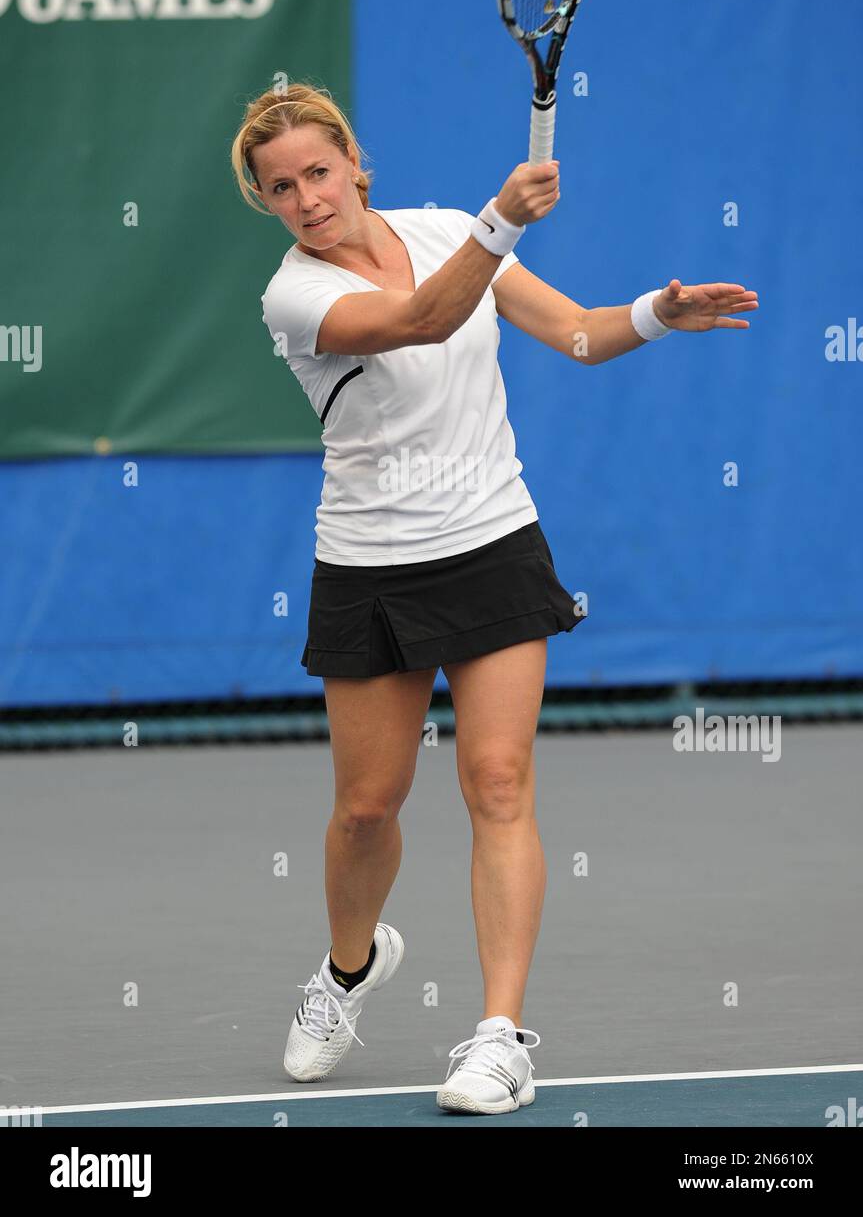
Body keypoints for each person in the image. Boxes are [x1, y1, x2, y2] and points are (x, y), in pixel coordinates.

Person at [229, 83, 757, 1115]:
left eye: (318, 173)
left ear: (354, 163)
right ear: (265, 201)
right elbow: (423, 319)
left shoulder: (436, 230)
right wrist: (501, 216)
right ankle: (346, 969)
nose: (305, 198)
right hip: (369, 561)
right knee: (365, 808)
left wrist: (657, 313)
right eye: (280, 187)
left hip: (492, 542)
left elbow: (575, 335)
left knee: (499, 779)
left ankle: (497, 1036)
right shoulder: (291, 295)